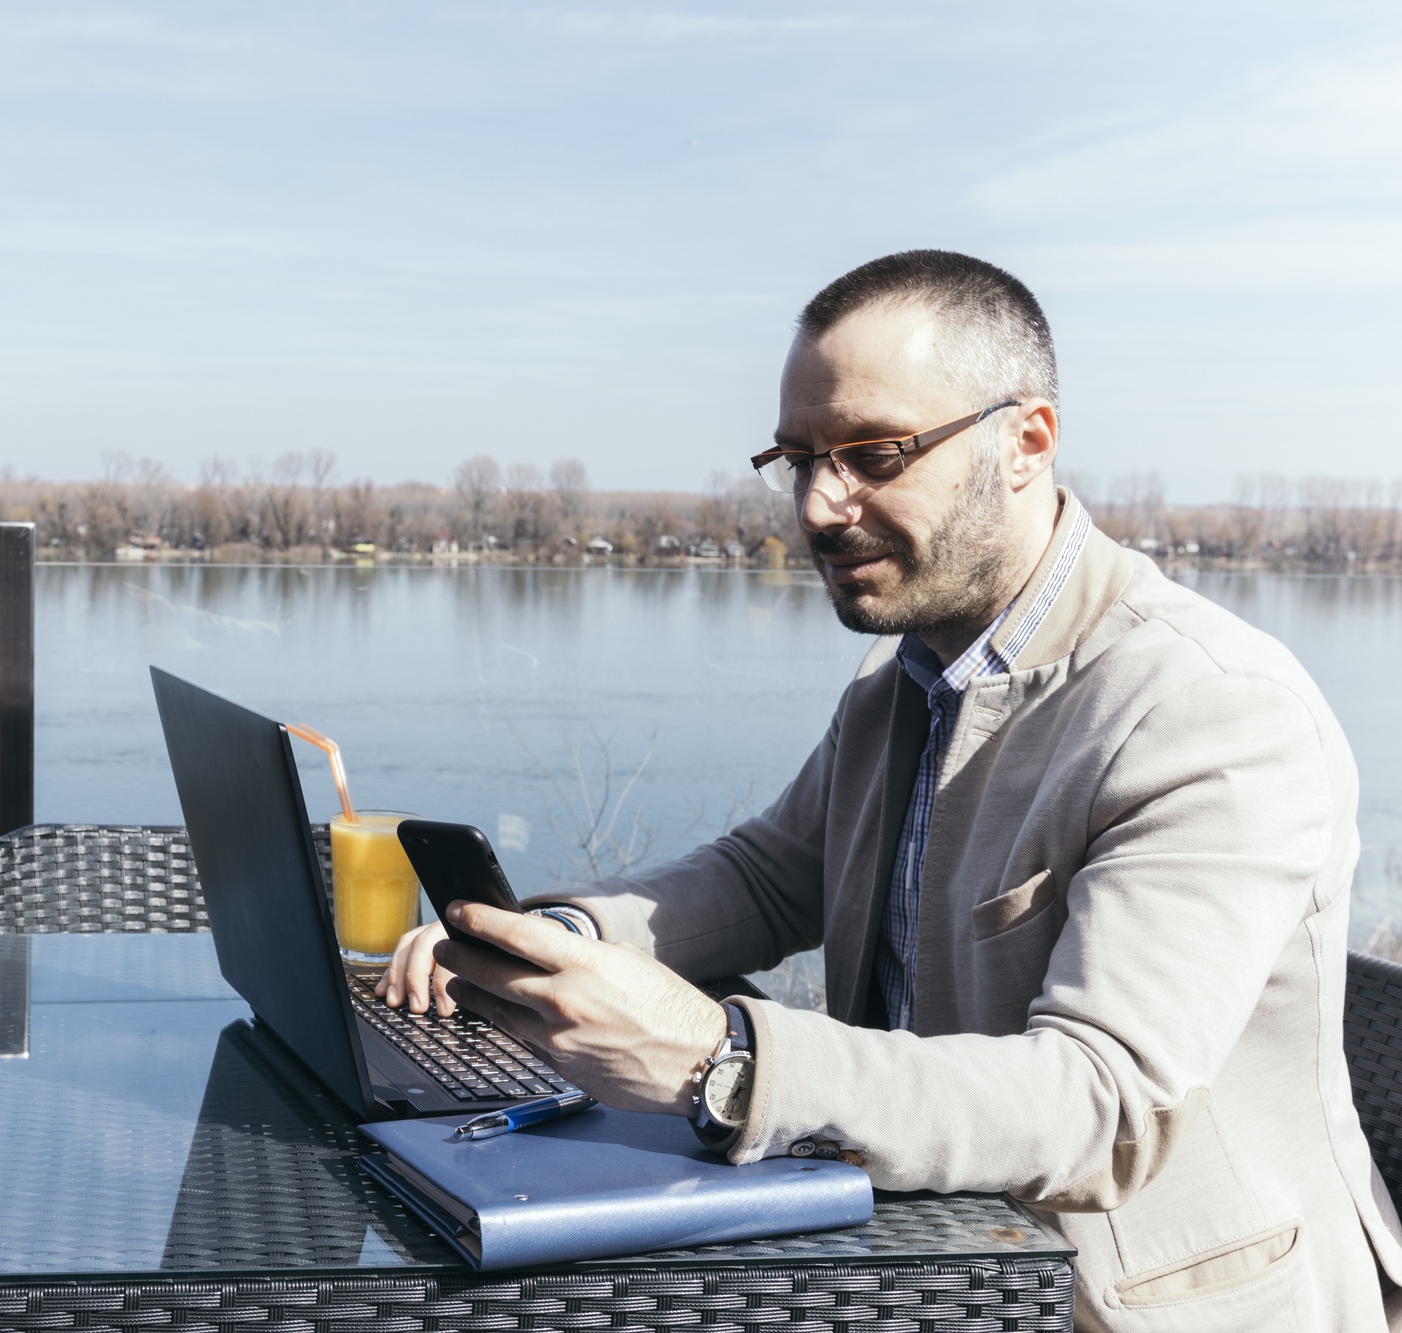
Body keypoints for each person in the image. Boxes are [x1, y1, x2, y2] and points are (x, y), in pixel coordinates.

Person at [381, 249, 1402, 1328]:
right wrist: (566, 935)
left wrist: (716, 1062)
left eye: (874, 453)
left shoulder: (1206, 709)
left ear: (1026, 442)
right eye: (798, 457)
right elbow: (770, 876)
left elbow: (1098, 1105)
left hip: (1125, 1307)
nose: (819, 505)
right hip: (913, 1268)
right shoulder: (907, 670)